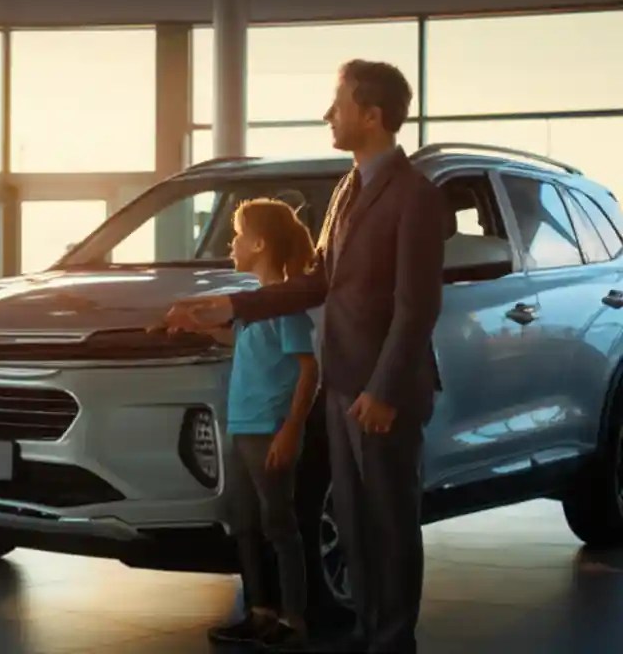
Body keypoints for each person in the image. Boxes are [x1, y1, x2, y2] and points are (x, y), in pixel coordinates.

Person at [167, 60, 448, 654]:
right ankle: (371, 634)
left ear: (372, 116)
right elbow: (320, 281)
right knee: (353, 526)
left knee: (391, 525)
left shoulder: (414, 197)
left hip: (381, 394)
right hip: (344, 387)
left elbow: (416, 306)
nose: (329, 114)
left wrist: (385, 390)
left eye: (339, 104)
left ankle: (394, 642)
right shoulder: (349, 188)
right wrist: (233, 307)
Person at [200, 199, 319, 651]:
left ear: (259, 243)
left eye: (236, 234)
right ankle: (259, 612)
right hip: (242, 425)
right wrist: (195, 326)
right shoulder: (254, 307)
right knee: (245, 522)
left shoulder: (285, 307)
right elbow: (244, 344)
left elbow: (309, 370)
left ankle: (293, 619)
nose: (231, 243)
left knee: (278, 523)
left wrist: (291, 429)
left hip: (269, 428)